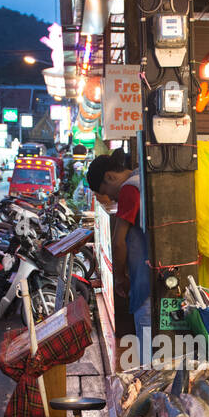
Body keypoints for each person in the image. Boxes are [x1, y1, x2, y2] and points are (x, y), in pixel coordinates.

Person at [86, 150, 152, 364]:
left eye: (105, 192)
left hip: (145, 280)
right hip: (156, 274)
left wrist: (120, 278)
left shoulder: (129, 189)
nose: (110, 198)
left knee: (148, 348)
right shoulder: (141, 177)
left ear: (110, 177)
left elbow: (118, 241)